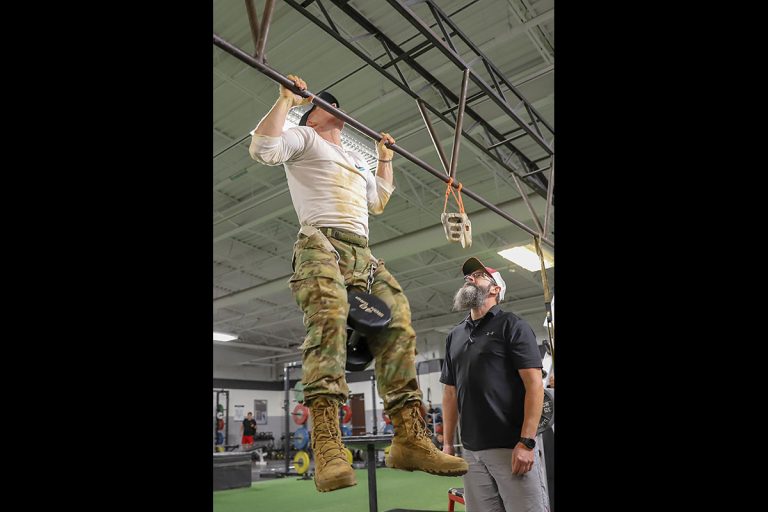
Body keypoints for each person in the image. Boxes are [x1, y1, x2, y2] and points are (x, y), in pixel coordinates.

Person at [249, 74, 468, 492]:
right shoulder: (302, 137)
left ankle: (408, 437)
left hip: (362, 253)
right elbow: (262, 148)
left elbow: (379, 200)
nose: (334, 109)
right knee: (329, 315)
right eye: (323, 105)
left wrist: (384, 157)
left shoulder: (354, 158)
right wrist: (284, 101)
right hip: (321, 243)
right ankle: (328, 445)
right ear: (311, 117)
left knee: (399, 323)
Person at [440, 257, 550, 512]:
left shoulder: (512, 326)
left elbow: (535, 386)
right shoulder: (454, 336)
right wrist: (447, 443)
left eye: (478, 275)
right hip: (471, 452)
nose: (469, 278)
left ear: (495, 289)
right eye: (468, 275)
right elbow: (450, 392)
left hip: (511, 447)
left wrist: (527, 442)